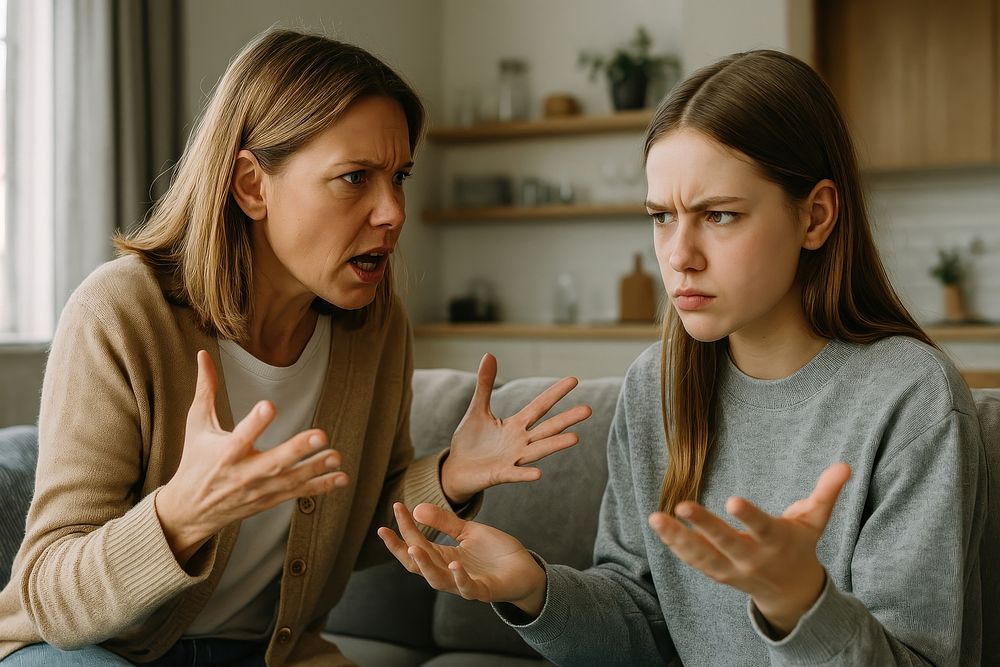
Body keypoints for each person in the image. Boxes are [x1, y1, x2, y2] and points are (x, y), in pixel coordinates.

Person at [0, 29, 592, 666]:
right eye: (355, 177)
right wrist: (182, 513)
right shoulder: (121, 314)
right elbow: (51, 596)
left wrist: (450, 476)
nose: (392, 211)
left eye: (399, 177)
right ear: (252, 185)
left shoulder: (376, 326)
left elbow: (354, 535)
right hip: (95, 652)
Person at [380, 49, 988, 665]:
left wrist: (802, 603)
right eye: (662, 217)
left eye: (719, 216)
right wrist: (535, 591)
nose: (678, 256)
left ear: (816, 216)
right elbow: (640, 628)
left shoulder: (911, 398)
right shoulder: (659, 385)